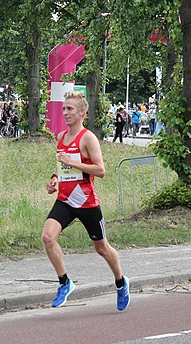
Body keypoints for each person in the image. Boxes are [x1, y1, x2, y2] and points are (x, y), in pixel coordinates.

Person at [42, 90, 130, 310]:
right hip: (65, 200)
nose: (65, 112)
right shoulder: (61, 137)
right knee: (47, 237)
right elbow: (61, 168)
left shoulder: (88, 138)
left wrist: (74, 164)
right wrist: (54, 180)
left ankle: (121, 282)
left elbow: (100, 170)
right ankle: (65, 283)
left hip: (86, 201)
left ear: (82, 112)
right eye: (64, 108)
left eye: (70, 109)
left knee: (101, 248)